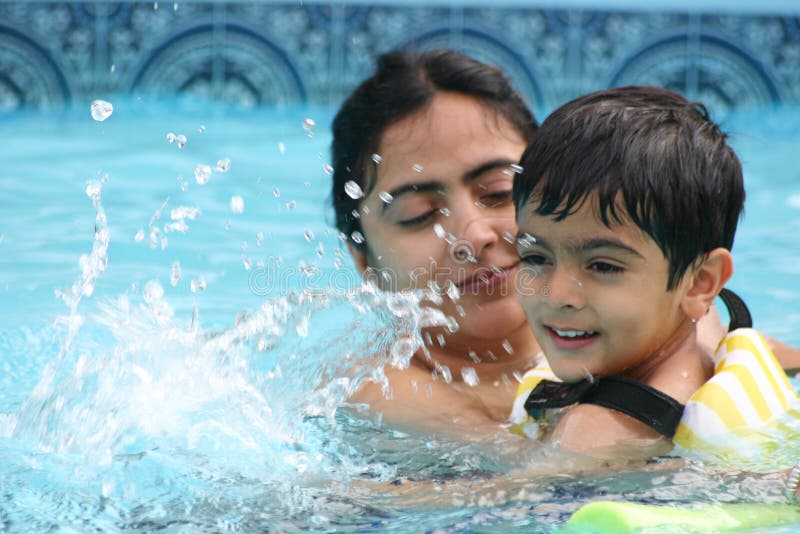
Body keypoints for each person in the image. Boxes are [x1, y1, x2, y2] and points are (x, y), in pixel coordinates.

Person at [330, 49, 800, 435]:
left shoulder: (670, 311)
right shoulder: (377, 393)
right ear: (365, 261)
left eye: (498, 192)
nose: (473, 234)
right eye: (419, 215)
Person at [509, 86, 798, 458]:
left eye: (602, 265)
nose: (558, 294)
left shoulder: (595, 434)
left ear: (700, 283)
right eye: (536, 257)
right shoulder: (704, 331)